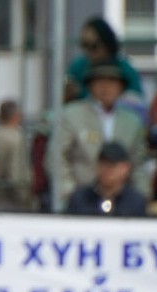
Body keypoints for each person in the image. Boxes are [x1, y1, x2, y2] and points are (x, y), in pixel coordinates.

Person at [47, 64, 150, 203]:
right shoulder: (71, 115)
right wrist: (68, 191)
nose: (106, 88)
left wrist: (142, 197)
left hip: (121, 200)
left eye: (112, 83)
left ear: (121, 88)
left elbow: (138, 163)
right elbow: (56, 156)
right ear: (90, 86)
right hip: (80, 198)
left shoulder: (132, 121)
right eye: (100, 83)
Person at [66, 17, 144, 102]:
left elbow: (137, 100)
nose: (88, 51)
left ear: (107, 43)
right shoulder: (79, 66)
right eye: (84, 45)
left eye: (93, 46)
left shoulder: (124, 69)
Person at [65, 142, 149, 217]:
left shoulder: (136, 202)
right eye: (103, 164)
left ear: (125, 168)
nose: (106, 170)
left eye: (112, 165)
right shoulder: (80, 199)